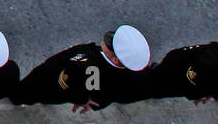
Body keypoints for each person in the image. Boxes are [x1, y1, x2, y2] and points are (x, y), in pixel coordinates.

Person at [11, 26, 155, 110]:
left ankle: (18, 98)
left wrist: (81, 100)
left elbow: (67, 84)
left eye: (110, 45)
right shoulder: (129, 74)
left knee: (28, 92)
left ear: (116, 60)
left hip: (47, 83)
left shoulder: (89, 66)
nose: (105, 41)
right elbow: (105, 96)